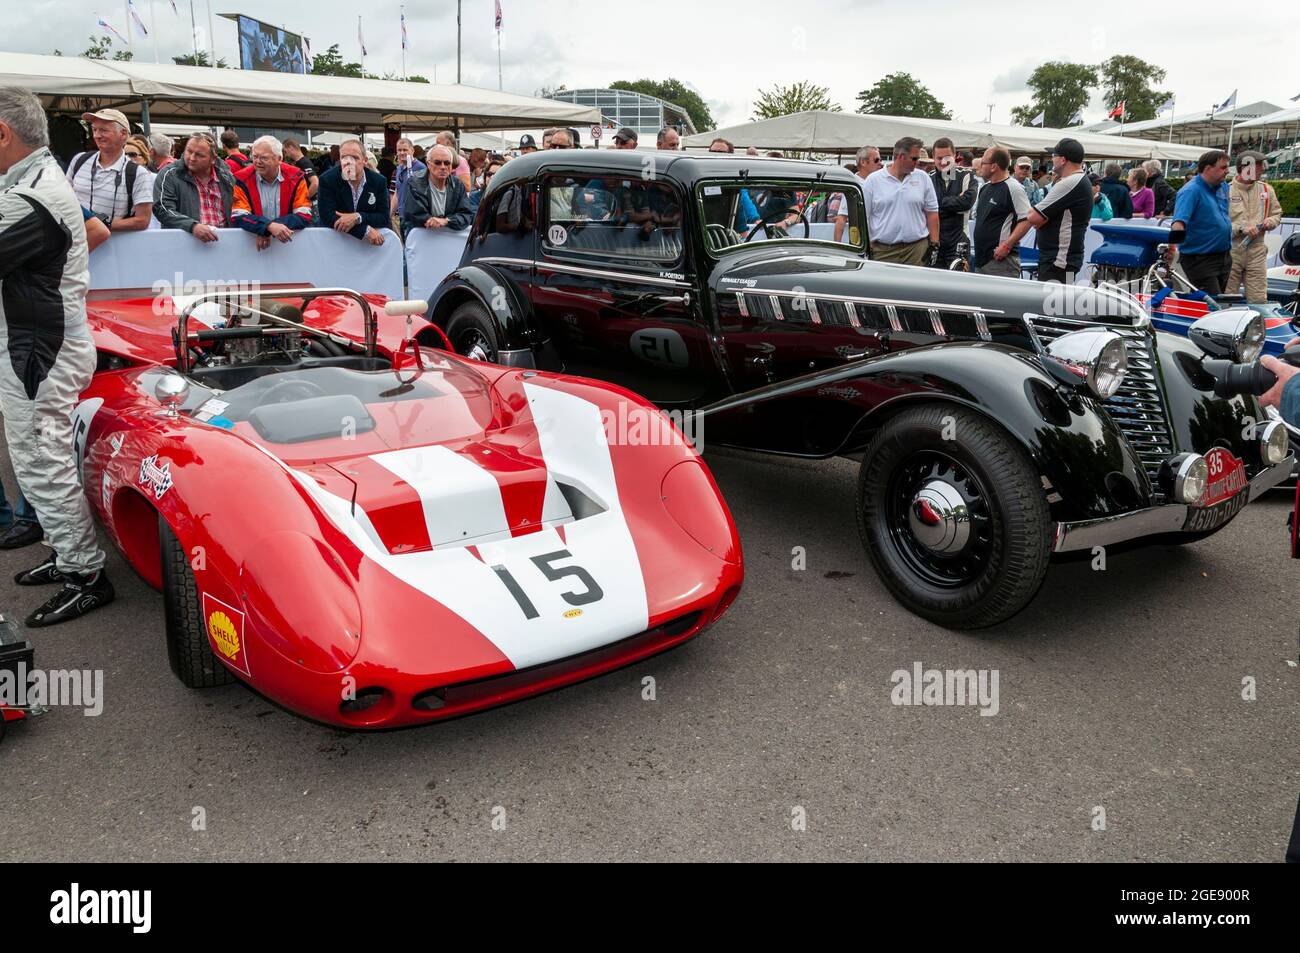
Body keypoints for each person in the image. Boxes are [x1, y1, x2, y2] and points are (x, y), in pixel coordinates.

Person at [0, 87, 115, 626]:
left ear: (3, 134)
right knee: (35, 460)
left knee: (42, 462)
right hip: (39, 345)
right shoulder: (30, 180)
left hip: (40, 351)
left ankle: (85, 573)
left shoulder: (33, 195)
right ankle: (67, 551)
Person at [66, 108, 154, 231]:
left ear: (123, 134)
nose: (96, 135)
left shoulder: (138, 174)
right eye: (94, 129)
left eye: (103, 130)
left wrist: (103, 225)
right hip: (75, 244)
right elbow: (64, 199)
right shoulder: (79, 160)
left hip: (114, 247)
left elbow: (143, 221)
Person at [861, 136, 939, 266]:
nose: (917, 162)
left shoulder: (923, 178)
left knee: (916, 286)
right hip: (883, 251)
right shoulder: (873, 180)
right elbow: (864, 216)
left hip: (916, 249)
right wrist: (868, 244)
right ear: (901, 157)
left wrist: (935, 243)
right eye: (914, 158)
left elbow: (932, 212)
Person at [1025, 138, 1093, 283]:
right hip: (1064, 260)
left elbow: (1033, 217)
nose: (1052, 159)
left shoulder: (1069, 183)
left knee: (1051, 304)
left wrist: (1041, 220)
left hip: (1058, 262)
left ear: (1063, 160)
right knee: (1061, 303)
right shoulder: (1078, 180)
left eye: (1053, 156)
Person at [231, 135, 312, 251]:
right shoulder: (242, 179)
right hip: (252, 250)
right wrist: (268, 227)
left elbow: (304, 215)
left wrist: (266, 228)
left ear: (279, 159)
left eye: (264, 158)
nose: (257, 162)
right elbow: (239, 216)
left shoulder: (295, 177)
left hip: (289, 248)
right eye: (254, 157)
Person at [1170, 150, 1233, 296]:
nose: (1227, 171)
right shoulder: (1190, 191)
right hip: (1199, 259)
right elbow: (1178, 223)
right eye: (1223, 167)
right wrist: (1172, 251)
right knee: (1212, 304)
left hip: (1223, 256)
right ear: (1207, 168)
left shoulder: (1223, 187)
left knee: (1217, 301)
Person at [152, 132, 235, 241]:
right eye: (189, 151)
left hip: (222, 244)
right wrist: (192, 226)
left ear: (213, 159)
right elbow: (162, 209)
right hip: (183, 246)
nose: (192, 158)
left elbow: (236, 208)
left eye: (199, 155)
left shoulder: (226, 176)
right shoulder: (169, 174)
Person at [1227, 150, 1283, 303]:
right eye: (1259, 166)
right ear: (1246, 168)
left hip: (1257, 250)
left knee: (1258, 299)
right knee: (1226, 297)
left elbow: (1277, 214)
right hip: (1231, 250)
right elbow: (1218, 225)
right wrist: (1240, 228)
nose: (1263, 169)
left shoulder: (1266, 189)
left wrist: (1270, 222)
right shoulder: (1226, 190)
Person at [972, 147, 1032, 277]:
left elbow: (1027, 220)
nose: (980, 166)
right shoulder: (985, 188)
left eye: (983, 162)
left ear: (993, 166)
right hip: (981, 259)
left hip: (1001, 262)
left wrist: (1006, 246)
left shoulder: (1013, 188)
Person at [317, 138, 389, 245]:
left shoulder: (379, 181)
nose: (348, 162)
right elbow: (327, 216)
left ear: (365, 160)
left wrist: (358, 217)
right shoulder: (327, 179)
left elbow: (383, 217)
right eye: (344, 157)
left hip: (366, 247)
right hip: (334, 242)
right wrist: (365, 230)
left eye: (355, 158)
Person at [402, 144, 473, 237]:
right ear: (428, 164)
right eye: (437, 162)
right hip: (421, 237)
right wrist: (433, 221)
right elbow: (413, 213)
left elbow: (466, 214)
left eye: (447, 163)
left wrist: (446, 221)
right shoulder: (414, 182)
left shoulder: (458, 185)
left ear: (451, 166)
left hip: (448, 238)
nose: (443, 167)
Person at [928, 137, 977, 268]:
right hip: (935, 243)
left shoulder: (966, 175)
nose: (943, 162)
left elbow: (966, 203)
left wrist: (938, 203)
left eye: (947, 157)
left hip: (959, 243)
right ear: (933, 157)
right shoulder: (928, 178)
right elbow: (925, 209)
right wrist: (955, 202)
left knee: (959, 286)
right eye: (939, 158)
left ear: (955, 156)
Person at [390, 136, 426, 227]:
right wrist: (389, 215)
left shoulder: (420, 168)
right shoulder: (399, 168)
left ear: (412, 151)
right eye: (399, 150)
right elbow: (397, 193)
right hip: (402, 217)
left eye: (405, 150)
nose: (402, 153)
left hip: (415, 219)